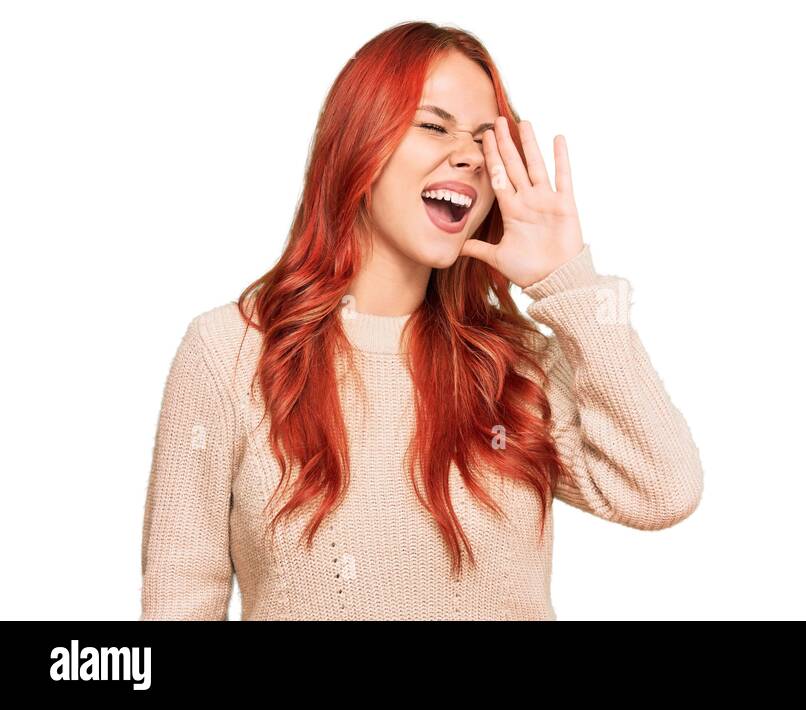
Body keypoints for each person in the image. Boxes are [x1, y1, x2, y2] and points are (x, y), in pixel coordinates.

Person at [139, 21, 704, 620]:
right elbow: (179, 600)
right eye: (434, 126)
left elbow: (663, 491)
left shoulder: (516, 364)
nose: (469, 156)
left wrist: (569, 281)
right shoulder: (229, 350)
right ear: (359, 142)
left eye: (486, 141)